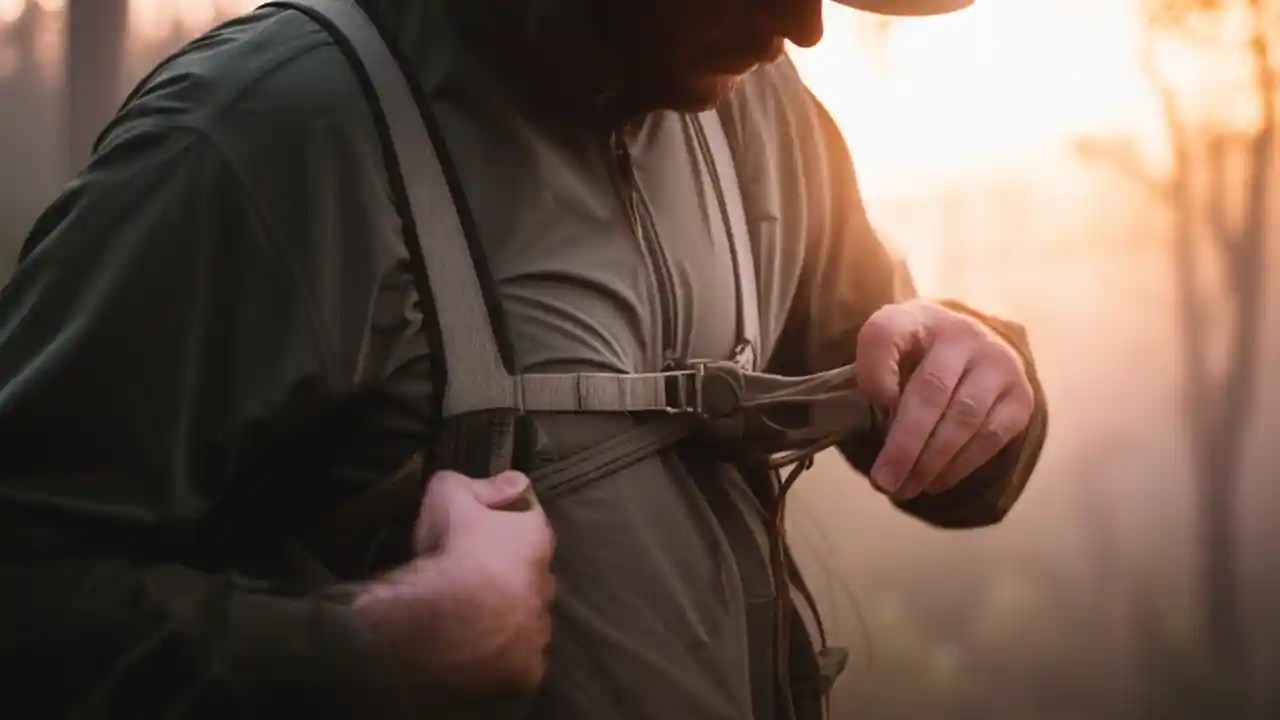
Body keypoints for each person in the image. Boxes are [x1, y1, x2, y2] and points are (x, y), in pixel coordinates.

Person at [0, 0, 1047, 718]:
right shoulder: (262, 138)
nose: (803, 26)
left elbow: (914, 389)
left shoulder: (759, 112)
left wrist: (987, 381)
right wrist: (369, 655)